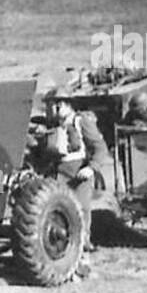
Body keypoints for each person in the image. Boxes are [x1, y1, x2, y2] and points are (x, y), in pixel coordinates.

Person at [41, 89, 97, 269]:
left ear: (62, 105)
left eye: (51, 106)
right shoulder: (52, 126)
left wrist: (91, 168)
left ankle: (83, 259)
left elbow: (99, 147)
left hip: (78, 177)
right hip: (58, 177)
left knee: (81, 214)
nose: (49, 110)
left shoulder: (81, 122)